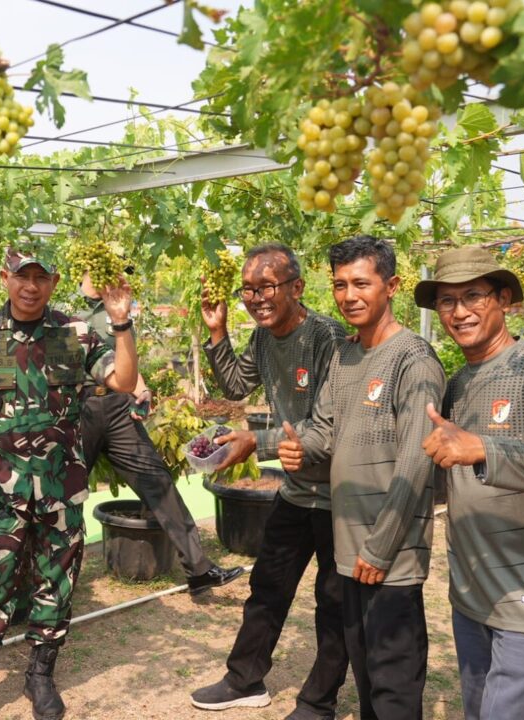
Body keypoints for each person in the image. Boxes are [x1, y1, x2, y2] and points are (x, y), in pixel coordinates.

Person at [0, 246, 138, 720]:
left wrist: (121, 323)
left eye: (40, 277)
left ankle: (40, 675)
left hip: (60, 487)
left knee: (56, 584)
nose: (30, 286)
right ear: (4, 277)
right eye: (21, 276)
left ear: (53, 282)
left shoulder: (73, 335)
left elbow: (126, 383)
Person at [414, 247, 524, 720]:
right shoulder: (457, 384)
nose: (458, 312)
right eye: (447, 301)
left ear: (504, 299)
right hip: (474, 591)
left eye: (472, 296)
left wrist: (484, 449)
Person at [278, 235, 444, 720]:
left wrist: (380, 546)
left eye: (361, 283)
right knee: (368, 675)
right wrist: (296, 447)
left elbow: (417, 462)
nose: (348, 296)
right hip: (349, 547)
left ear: (390, 286)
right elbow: (325, 432)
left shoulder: (413, 360)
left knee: (394, 684)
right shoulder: (347, 355)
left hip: (386, 555)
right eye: (339, 285)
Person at [190, 244, 348, 719]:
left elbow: (327, 428)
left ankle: (318, 703)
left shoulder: (328, 339)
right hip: (297, 490)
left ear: (296, 288)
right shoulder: (262, 338)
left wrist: (253, 442)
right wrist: (217, 333)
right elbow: (237, 386)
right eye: (248, 289)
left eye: (267, 287)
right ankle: (244, 679)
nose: (256, 298)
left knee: (334, 602)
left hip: (339, 495)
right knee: (268, 586)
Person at [75, 269, 244, 595]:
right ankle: (46, 585)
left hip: (119, 407)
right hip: (79, 407)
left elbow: (124, 359)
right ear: (90, 270)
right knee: (65, 493)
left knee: (158, 480)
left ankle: (198, 569)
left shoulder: (120, 307)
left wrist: (141, 387)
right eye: (114, 270)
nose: (121, 278)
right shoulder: (66, 309)